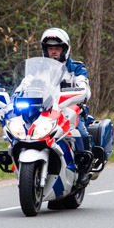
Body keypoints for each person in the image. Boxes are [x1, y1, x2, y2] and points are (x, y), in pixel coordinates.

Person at [41, 27, 95, 184]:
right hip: (44, 111)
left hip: (70, 110)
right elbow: (25, 85)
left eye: (57, 48)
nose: (54, 52)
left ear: (65, 49)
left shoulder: (77, 67)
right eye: (50, 49)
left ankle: (84, 168)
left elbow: (84, 88)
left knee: (81, 134)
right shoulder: (39, 70)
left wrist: (80, 94)